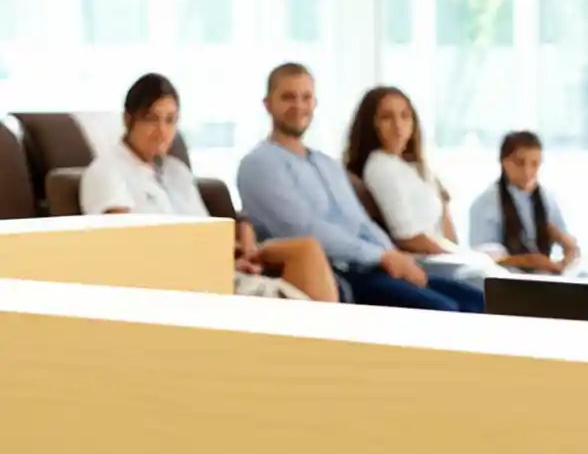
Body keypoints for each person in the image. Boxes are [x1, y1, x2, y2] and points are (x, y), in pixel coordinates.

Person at [236, 63, 484, 313]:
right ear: (268, 104)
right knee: (447, 311)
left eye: (306, 97)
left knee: (479, 300)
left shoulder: (327, 163)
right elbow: (303, 230)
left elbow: (360, 222)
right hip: (336, 275)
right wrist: (382, 257)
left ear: (315, 103)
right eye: (288, 97)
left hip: (374, 267)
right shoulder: (259, 164)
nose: (299, 105)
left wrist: (393, 255)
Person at [80, 73, 339, 302]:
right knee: (302, 311)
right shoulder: (106, 172)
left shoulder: (176, 172)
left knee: (306, 289)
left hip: (216, 279)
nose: (162, 131)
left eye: (170, 120)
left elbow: (204, 236)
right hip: (174, 290)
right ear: (128, 119)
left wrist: (234, 255)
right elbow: (128, 248)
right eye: (151, 119)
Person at [344, 86, 503, 286]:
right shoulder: (380, 167)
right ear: (371, 124)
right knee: (492, 277)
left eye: (405, 116)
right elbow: (407, 237)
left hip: (439, 256)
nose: (398, 126)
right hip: (422, 262)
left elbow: (442, 230)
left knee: (496, 258)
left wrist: (463, 252)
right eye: (387, 117)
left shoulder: (409, 168)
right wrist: (461, 255)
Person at [468, 131, 580, 275]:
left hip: (544, 277)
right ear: (504, 162)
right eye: (520, 163)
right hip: (503, 279)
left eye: (535, 164)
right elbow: (481, 258)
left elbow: (568, 243)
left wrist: (567, 247)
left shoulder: (548, 200)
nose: (528, 171)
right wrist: (529, 261)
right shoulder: (485, 204)